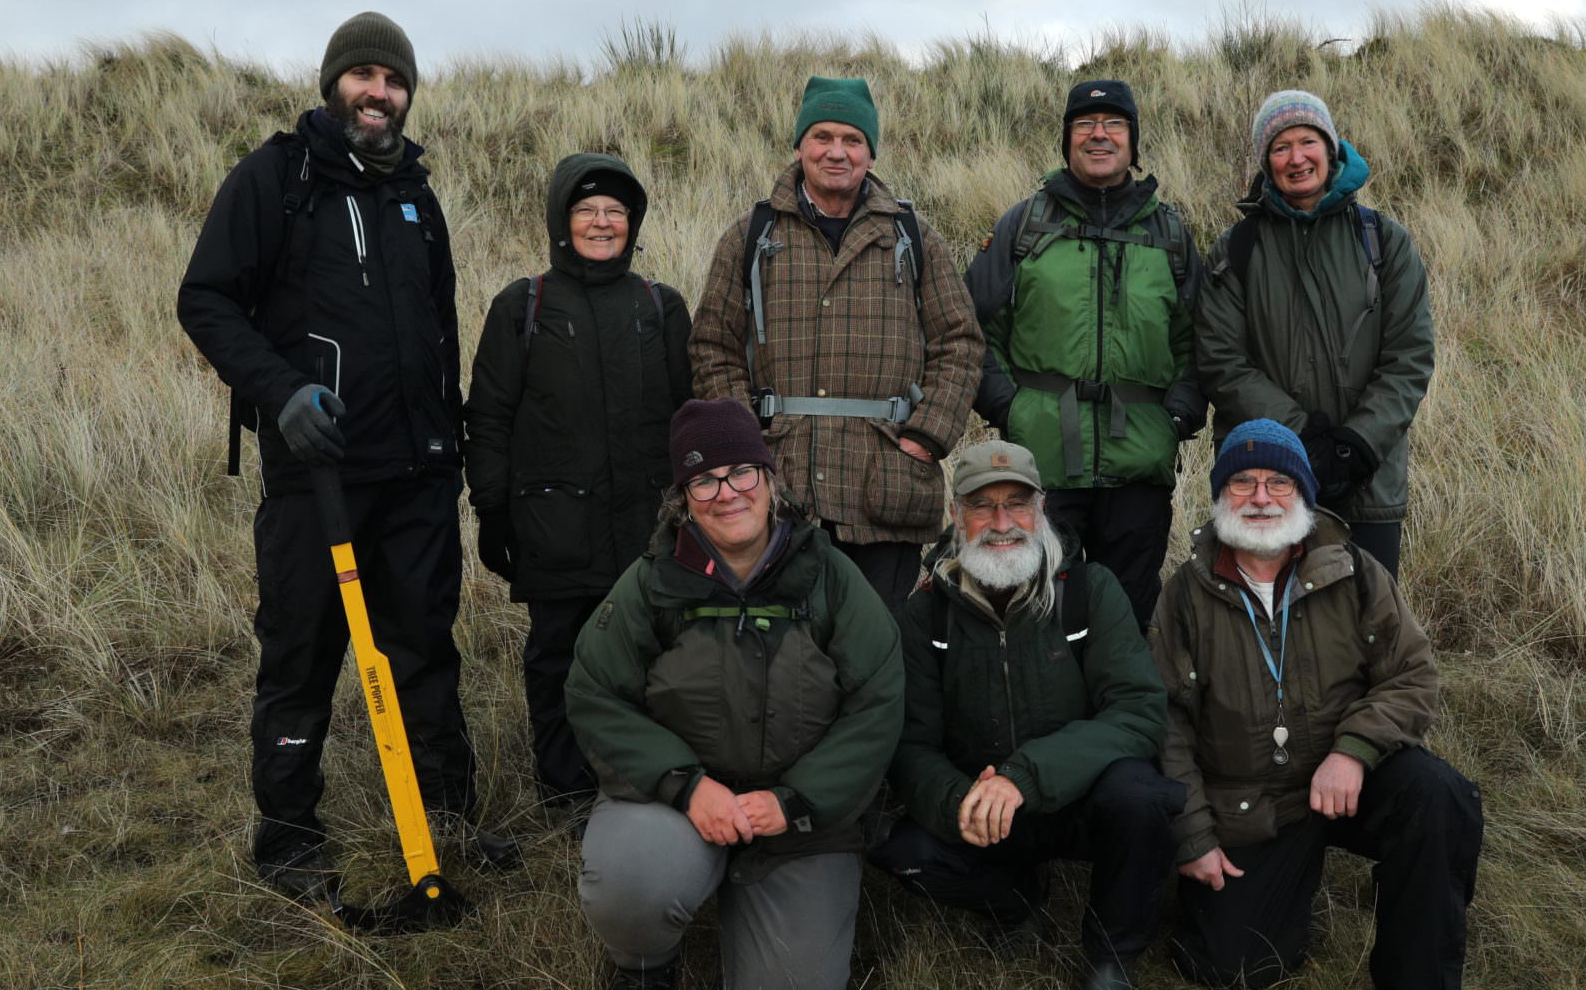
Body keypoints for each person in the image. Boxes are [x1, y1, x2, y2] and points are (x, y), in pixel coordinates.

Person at [177, 11, 514, 899]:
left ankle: (445, 814)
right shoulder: (276, 178)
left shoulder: (418, 195)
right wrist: (279, 393)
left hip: (419, 475)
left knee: (424, 648)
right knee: (301, 652)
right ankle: (288, 837)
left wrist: (455, 446)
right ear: (334, 84)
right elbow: (206, 300)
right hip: (314, 476)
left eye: (394, 79)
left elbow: (440, 334)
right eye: (364, 75)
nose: (380, 92)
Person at [565, 398, 903, 990]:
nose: (727, 493)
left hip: (802, 820)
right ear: (684, 497)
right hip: (681, 804)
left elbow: (879, 701)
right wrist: (688, 787)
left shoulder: (830, 576)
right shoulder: (651, 584)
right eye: (704, 479)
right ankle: (645, 965)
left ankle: (751, 903)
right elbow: (594, 692)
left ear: (770, 477)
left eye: (742, 471)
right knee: (633, 885)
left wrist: (795, 800)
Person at [1149, 419, 1482, 990]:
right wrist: (1193, 835)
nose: (1261, 496)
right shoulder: (1186, 593)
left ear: (1303, 493)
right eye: (1242, 482)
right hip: (1252, 803)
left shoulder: (1354, 571)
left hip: (1347, 782)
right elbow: (1166, 723)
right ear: (1220, 497)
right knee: (1231, 965)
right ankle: (1270, 902)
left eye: (1278, 481)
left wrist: (1353, 750)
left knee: (1438, 797)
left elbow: (1414, 675)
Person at [871, 441, 1184, 990]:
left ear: (1040, 509)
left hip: (1077, 799)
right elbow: (910, 747)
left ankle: (1111, 960)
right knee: (901, 849)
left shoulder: (1090, 589)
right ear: (956, 516)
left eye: (1018, 503)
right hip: (983, 810)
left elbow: (1139, 712)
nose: (1003, 523)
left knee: (1143, 797)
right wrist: (959, 799)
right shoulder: (925, 613)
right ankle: (1012, 902)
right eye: (983, 507)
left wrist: (1025, 777)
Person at [688, 75, 984, 612]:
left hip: (885, 487)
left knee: (877, 652)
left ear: (870, 155)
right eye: (822, 136)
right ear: (800, 146)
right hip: (779, 485)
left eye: (852, 140)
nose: (836, 151)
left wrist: (925, 438)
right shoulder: (750, 236)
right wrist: (745, 443)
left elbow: (960, 342)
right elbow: (713, 345)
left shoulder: (913, 236)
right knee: (779, 650)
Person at [463, 153, 692, 813]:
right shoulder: (523, 305)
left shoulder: (660, 306)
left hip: (650, 530)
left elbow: (689, 417)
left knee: (657, 656)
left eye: (615, 211)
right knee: (558, 657)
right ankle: (564, 792)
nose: (601, 222)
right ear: (561, 220)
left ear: (633, 222)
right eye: (586, 209)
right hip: (552, 528)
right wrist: (493, 509)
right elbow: (490, 414)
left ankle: (650, 784)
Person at [965, 79, 1205, 627]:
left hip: (1141, 464)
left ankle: (1128, 712)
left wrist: (1178, 415)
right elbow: (970, 328)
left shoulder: (1169, 232)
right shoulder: (1023, 226)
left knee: (1129, 618)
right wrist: (1012, 409)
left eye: (1114, 124)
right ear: (1068, 140)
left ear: (1133, 141)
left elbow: (1199, 339)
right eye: (1085, 125)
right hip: (1042, 465)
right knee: (1041, 614)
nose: (1099, 135)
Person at [1195, 90, 1434, 578]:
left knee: (1366, 628)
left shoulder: (1384, 241)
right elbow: (1221, 359)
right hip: (1266, 478)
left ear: (1330, 148)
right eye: (1281, 148)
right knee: (1267, 626)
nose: (1297, 158)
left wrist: (1357, 446)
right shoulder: (1237, 248)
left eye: (1308, 141)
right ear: (1267, 161)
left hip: (1369, 482)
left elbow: (1409, 355)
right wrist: (1299, 438)